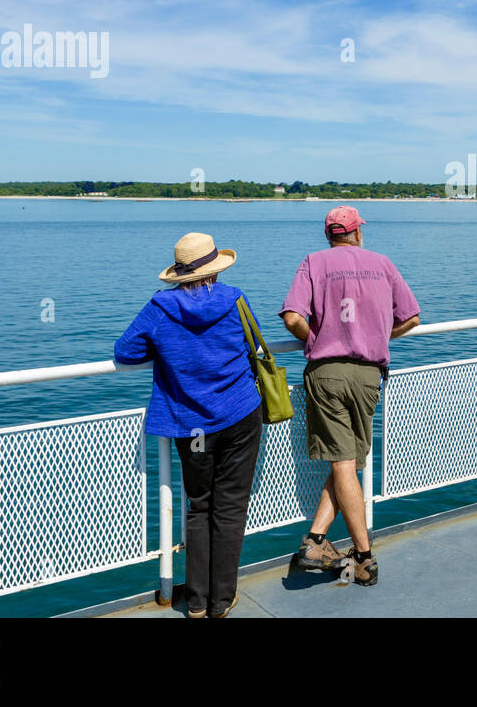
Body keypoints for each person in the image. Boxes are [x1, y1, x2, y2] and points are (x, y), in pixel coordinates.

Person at [114, 231, 263, 618]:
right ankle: (221, 599)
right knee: (230, 507)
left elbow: (125, 352)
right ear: (215, 269)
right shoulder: (235, 299)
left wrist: (166, 349)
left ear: (179, 273)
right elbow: (254, 347)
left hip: (193, 426)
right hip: (240, 415)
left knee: (199, 506)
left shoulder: (160, 308)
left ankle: (195, 601)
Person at [280, 205, 420, 586]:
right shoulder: (382, 263)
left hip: (327, 374)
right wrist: (374, 336)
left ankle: (345, 552)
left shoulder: (315, 261)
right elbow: (411, 318)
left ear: (329, 234)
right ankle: (350, 552)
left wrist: (320, 339)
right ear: (358, 232)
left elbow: (292, 317)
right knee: (349, 462)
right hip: (369, 375)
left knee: (345, 464)